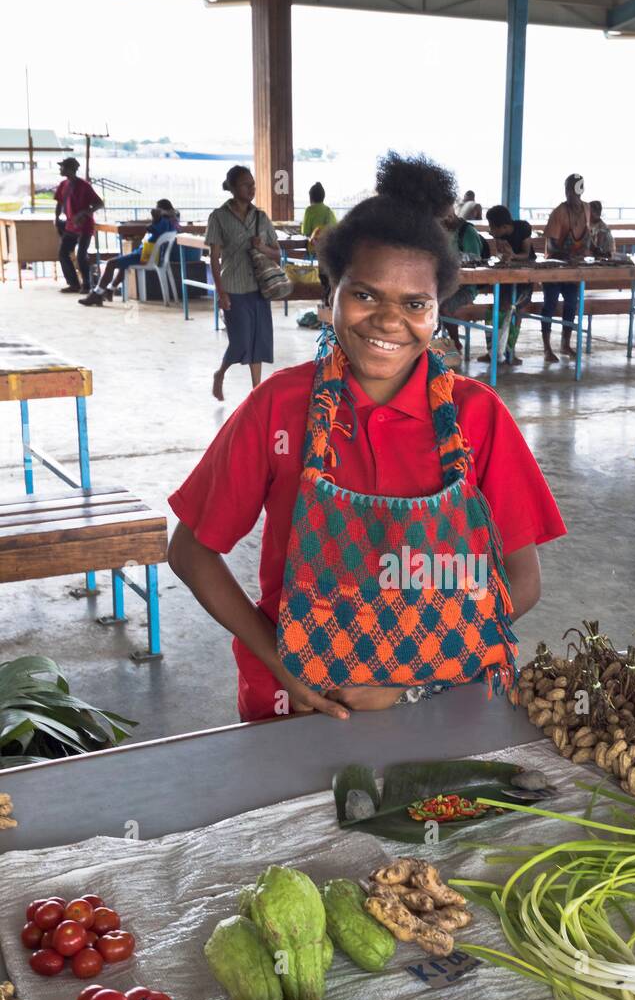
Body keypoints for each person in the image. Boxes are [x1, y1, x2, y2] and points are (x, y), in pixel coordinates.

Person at [167, 152, 565, 725]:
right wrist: (281, 663)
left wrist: (407, 677)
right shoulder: (278, 408)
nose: (387, 320)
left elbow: (521, 582)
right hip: (299, 701)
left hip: (440, 691)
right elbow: (191, 549)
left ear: (438, 311)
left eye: (415, 304)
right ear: (331, 291)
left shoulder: (477, 417)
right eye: (365, 294)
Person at [206, 166, 281, 402]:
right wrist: (221, 291)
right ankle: (220, 373)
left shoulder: (261, 217)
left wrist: (261, 247)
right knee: (239, 341)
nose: (252, 189)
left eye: (253, 184)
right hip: (233, 288)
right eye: (246, 184)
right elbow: (214, 258)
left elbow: (277, 254)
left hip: (259, 288)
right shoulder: (218, 217)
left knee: (259, 340)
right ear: (232, 187)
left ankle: (256, 391)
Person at [79, 200, 180, 306]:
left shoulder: (162, 221)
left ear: (161, 210)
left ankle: (97, 294)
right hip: (154, 256)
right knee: (124, 261)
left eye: (157, 209)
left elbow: (150, 228)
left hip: (145, 256)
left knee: (111, 263)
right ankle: (109, 290)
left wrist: (156, 217)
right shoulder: (173, 221)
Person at [540, 173, 592, 364]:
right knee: (550, 304)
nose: (569, 194)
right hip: (553, 266)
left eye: (572, 190)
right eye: (567, 189)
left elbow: (588, 236)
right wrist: (567, 254)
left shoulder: (587, 209)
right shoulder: (559, 212)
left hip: (574, 268)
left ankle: (565, 343)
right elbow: (551, 246)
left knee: (572, 303)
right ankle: (547, 347)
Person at [482, 204, 536, 366]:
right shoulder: (499, 235)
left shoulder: (523, 228)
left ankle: (510, 351)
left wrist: (512, 256)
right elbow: (500, 254)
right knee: (495, 309)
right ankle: (493, 352)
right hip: (507, 277)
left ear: (504, 227)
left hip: (525, 277)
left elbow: (526, 254)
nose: (491, 230)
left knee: (515, 310)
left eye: (493, 227)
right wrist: (504, 256)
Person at [438, 205, 487, 352]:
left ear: (451, 216)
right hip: (445, 285)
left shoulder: (467, 232)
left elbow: (475, 260)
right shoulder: (439, 232)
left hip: (466, 287)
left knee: (443, 306)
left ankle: (455, 344)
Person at [54, 157, 103, 294]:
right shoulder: (63, 185)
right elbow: (59, 203)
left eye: (62, 167)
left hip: (84, 226)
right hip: (70, 226)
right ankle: (74, 284)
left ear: (70, 169)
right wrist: (57, 219)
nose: (60, 169)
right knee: (63, 253)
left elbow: (99, 204)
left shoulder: (84, 186)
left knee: (81, 255)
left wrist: (84, 213)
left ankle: (87, 285)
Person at [301, 182, 337, 248]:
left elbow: (306, 232)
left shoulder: (309, 210)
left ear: (310, 198)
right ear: (323, 196)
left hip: (314, 248)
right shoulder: (329, 211)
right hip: (329, 249)